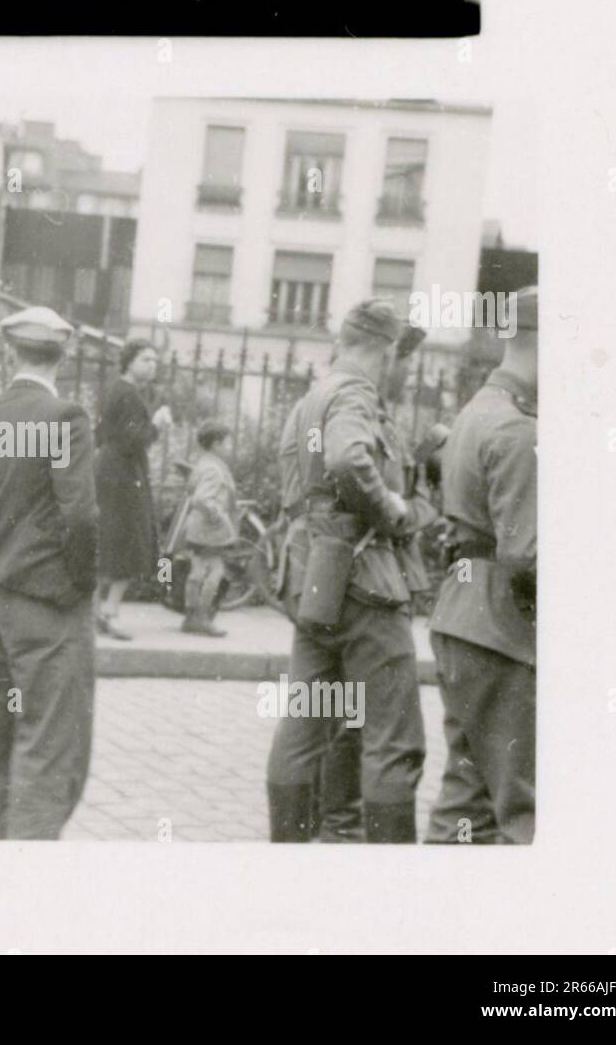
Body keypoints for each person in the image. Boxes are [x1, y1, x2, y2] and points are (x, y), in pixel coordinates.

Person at [265, 299, 426, 843]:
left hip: (316, 582)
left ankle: (288, 856)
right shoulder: (357, 393)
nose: (401, 367)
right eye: (400, 354)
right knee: (393, 737)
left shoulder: (311, 398)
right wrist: (392, 509)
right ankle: (392, 887)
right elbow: (346, 461)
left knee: (306, 720)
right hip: (366, 581)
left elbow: (293, 489)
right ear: (384, 349)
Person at [0, 305, 99, 840]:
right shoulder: (64, 417)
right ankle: (26, 877)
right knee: (48, 744)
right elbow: (80, 514)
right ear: (63, 353)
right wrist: (78, 586)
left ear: (9, 351)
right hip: (45, 600)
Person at [424, 287, 538, 845]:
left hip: (460, 618)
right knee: (526, 810)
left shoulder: (476, 411)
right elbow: (529, 555)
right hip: (503, 630)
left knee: (464, 802)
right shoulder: (520, 430)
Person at [94, 338, 171, 640]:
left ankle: (100, 611)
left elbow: (103, 433)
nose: (152, 366)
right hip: (123, 475)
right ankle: (110, 614)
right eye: (146, 360)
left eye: (155, 361)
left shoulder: (116, 389)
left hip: (111, 470)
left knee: (112, 539)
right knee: (129, 539)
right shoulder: (127, 394)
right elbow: (132, 439)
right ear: (129, 361)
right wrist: (157, 425)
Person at [179, 420, 238, 637]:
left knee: (197, 572)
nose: (229, 447)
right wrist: (219, 516)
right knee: (215, 572)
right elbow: (202, 498)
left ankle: (190, 616)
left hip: (196, 527)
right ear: (215, 444)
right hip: (209, 529)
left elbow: (191, 491)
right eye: (226, 443)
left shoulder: (203, 463)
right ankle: (203, 618)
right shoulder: (215, 469)